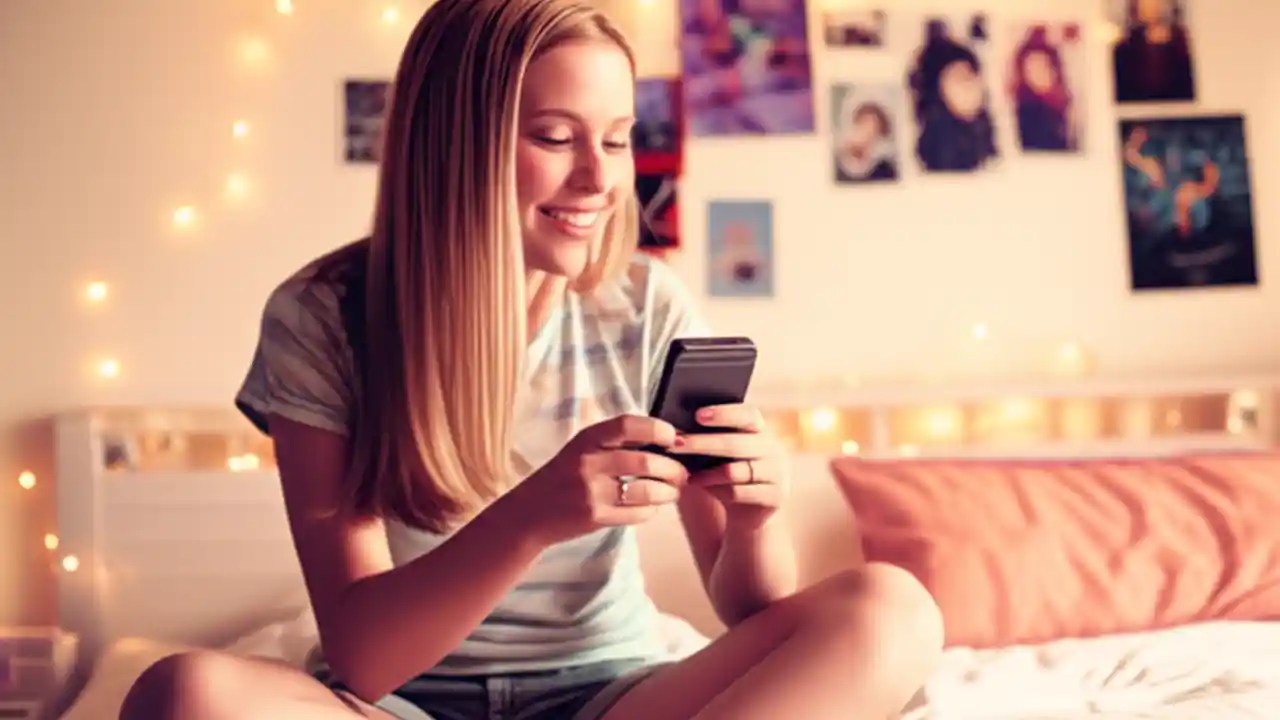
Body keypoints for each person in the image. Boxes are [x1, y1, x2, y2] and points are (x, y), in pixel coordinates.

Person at [120, 1, 942, 718]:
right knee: (182, 694)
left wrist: (757, 519)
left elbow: (753, 615)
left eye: (619, 141)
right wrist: (533, 515)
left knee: (893, 609)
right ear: (456, 145)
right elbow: (366, 659)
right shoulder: (323, 318)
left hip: (615, 694)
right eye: (556, 138)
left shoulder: (646, 305)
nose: (598, 178)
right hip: (398, 703)